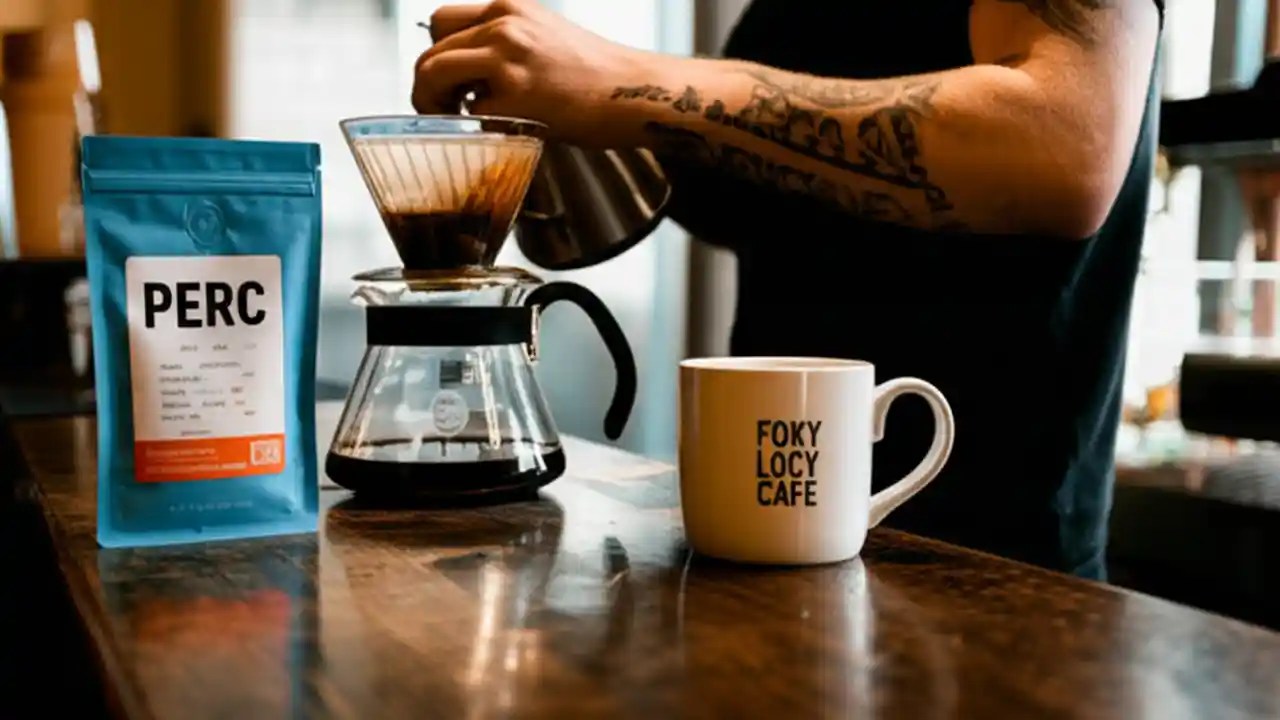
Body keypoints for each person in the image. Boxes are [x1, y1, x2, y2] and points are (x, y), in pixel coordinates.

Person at [413, 0, 1165, 580]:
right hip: (760, 548)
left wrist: (624, 81)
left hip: (990, 573)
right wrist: (589, 113)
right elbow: (791, 199)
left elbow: (1067, 146)